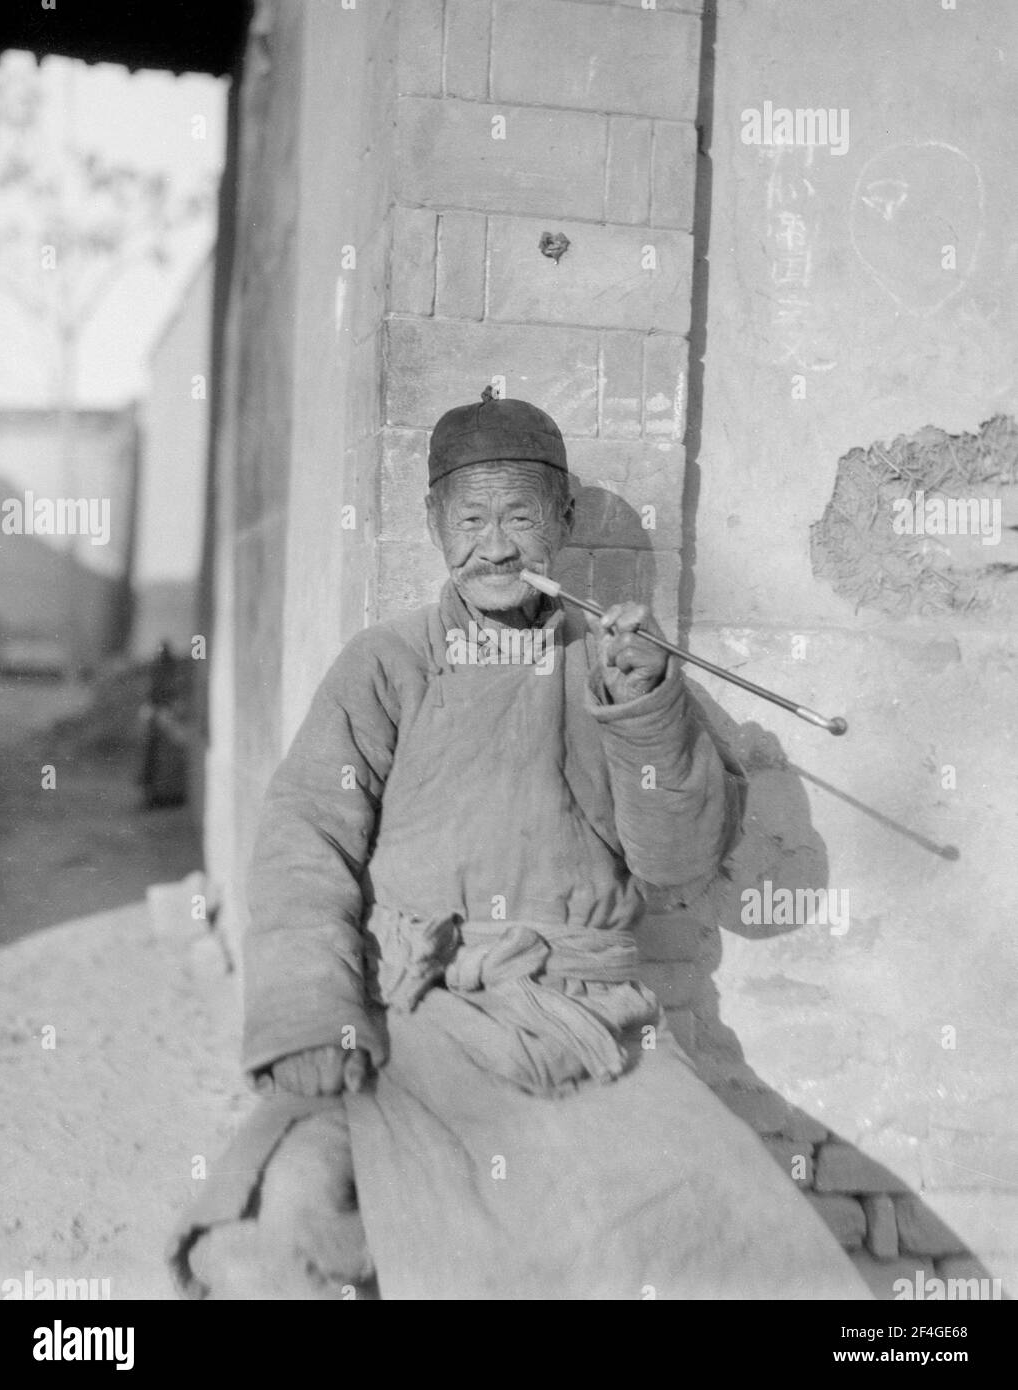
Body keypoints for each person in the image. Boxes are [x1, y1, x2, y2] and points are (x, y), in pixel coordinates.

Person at [170, 389, 870, 1300]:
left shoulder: (614, 669)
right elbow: (306, 840)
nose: (495, 547)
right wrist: (310, 1014)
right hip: (410, 1020)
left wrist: (647, 714)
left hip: (586, 1030)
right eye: (470, 519)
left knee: (744, 1250)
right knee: (271, 1230)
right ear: (434, 525)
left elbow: (678, 864)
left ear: (563, 523)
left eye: (520, 518)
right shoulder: (386, 664)